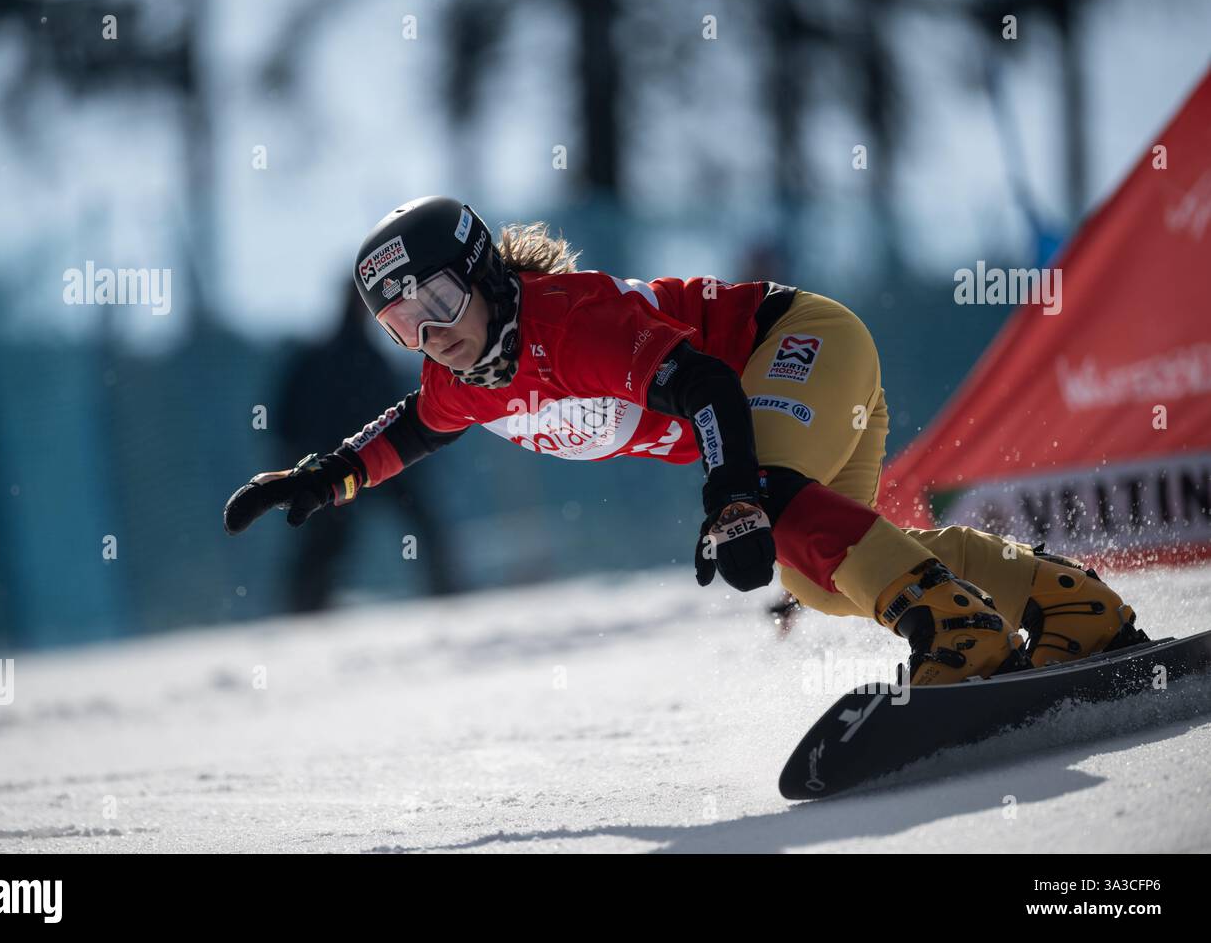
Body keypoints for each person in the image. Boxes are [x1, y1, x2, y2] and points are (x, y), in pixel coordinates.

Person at [224, 196, 1145, 685]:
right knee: (822, 580)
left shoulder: (570, 321)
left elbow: (705, 386)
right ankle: (1064, 605)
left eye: (440, 303)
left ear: (485, 277)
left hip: (799, 347)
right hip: (798, 380)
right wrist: (320, 480)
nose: (433, 336)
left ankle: (956, 634)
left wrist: (735, 497)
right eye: (402, 325)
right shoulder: (458, 379)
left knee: (776, 504)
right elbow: (408, 434)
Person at [273, 278, 457, 612]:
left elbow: (409, 416)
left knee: (334, 539)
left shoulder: (339, 357)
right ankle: (304, 609)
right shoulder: (327, 359)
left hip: (365, 463)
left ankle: (304, 606)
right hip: (346, 464)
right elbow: (285, 419)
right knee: (328, 539)